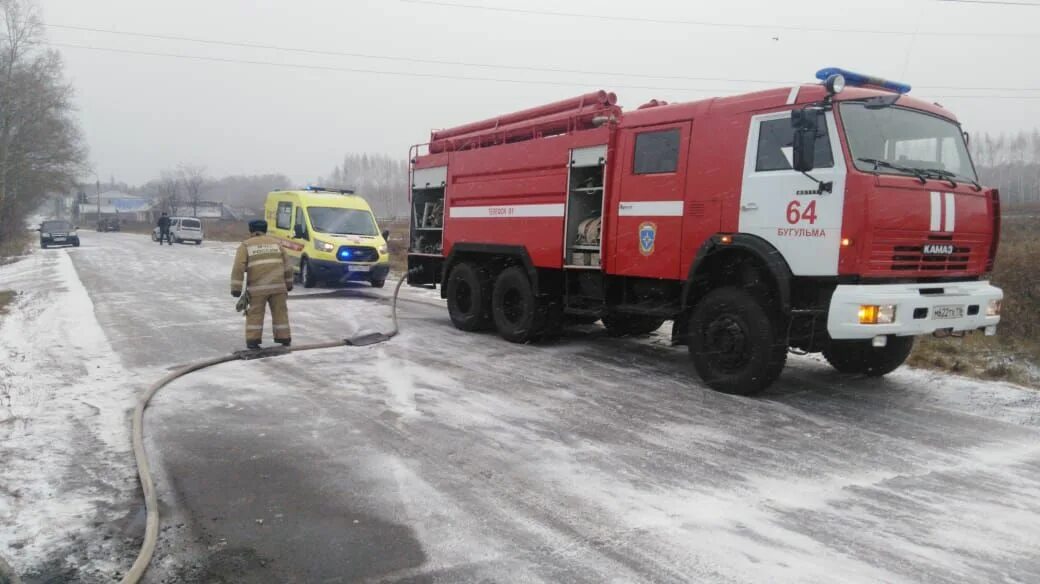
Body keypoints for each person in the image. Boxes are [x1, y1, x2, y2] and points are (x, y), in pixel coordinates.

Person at [230, 219, 294, 349]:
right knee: (280, 313)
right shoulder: (277, 244)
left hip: (257, 289)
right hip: (278, 288)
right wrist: (289, 283)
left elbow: (238, 267)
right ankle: (284, 338)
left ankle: (253, 341)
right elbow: (288, 266)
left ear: (251, 230)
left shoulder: (246, 246)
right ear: (265, 230)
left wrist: (236, 288)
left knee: (255, 314)